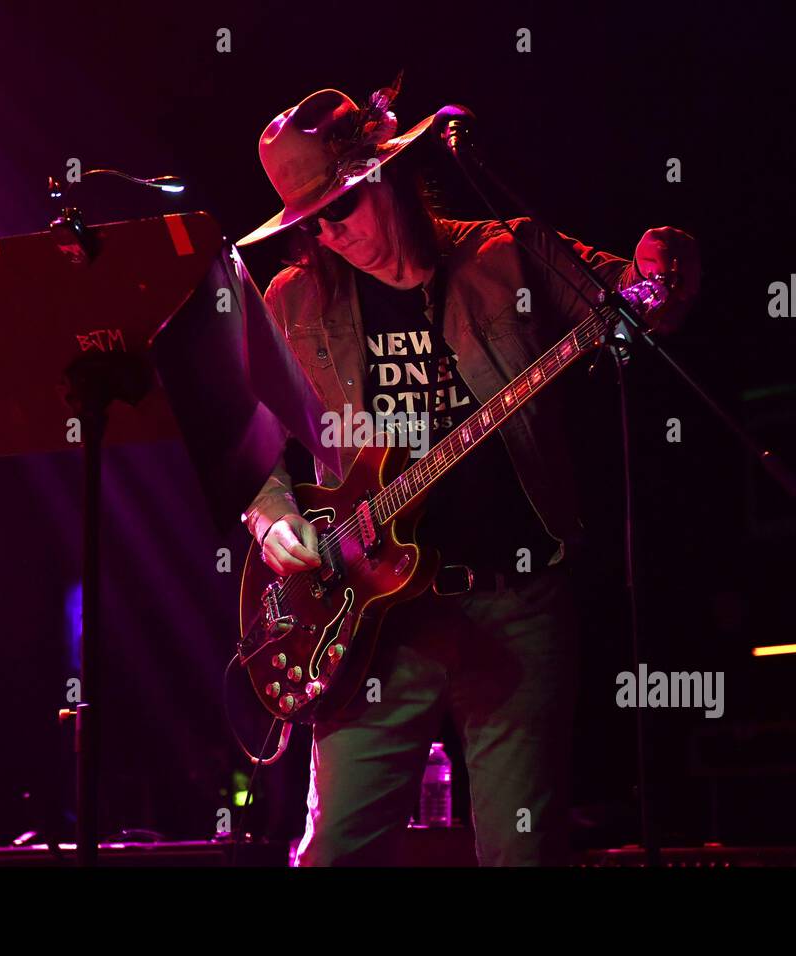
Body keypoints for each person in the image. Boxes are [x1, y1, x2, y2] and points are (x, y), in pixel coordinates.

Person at [236, 85, 700, 865]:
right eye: (310, 222)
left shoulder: (508, 252)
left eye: (340, 208)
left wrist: (666, 270)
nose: (330, 234)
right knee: (335, 854)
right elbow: (245, 441)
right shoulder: (294, 302)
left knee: (524, 853)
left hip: (516, 603)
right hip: (374, 625)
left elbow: (642, 297)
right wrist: (271, 515)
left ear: (385, 173)